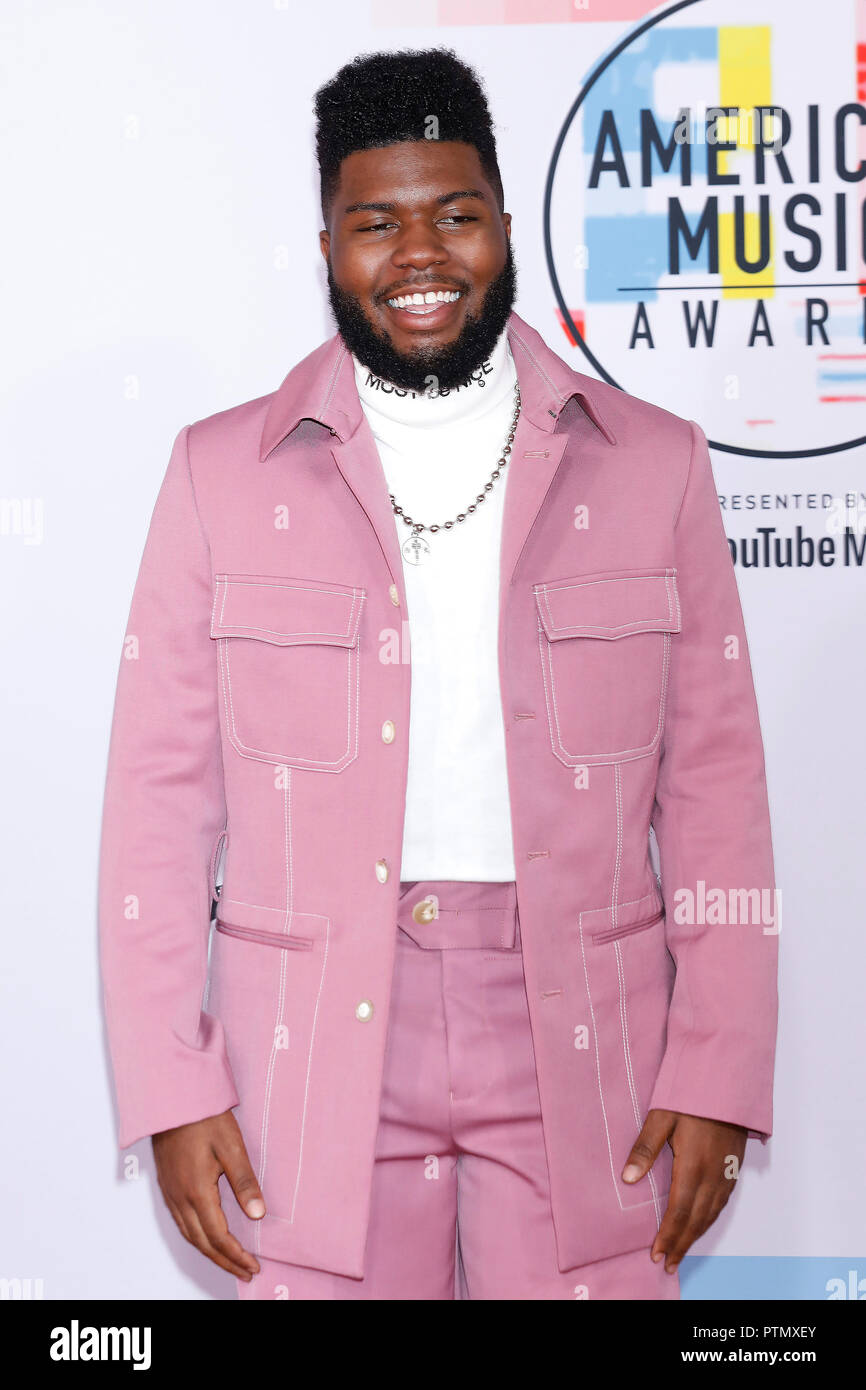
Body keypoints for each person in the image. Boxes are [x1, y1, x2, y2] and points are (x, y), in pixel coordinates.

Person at [98, 46, 778, 1301]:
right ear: (326, 248)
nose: (420, 256)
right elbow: (155, 807)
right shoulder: (218, 476)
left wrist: (718, 1069)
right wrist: (169, 1084)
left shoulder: (654, 467)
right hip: (306, 1056)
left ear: (505, 225)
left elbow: (717, 796)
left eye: (454, 215)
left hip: (590, 1049)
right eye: (376, 223)